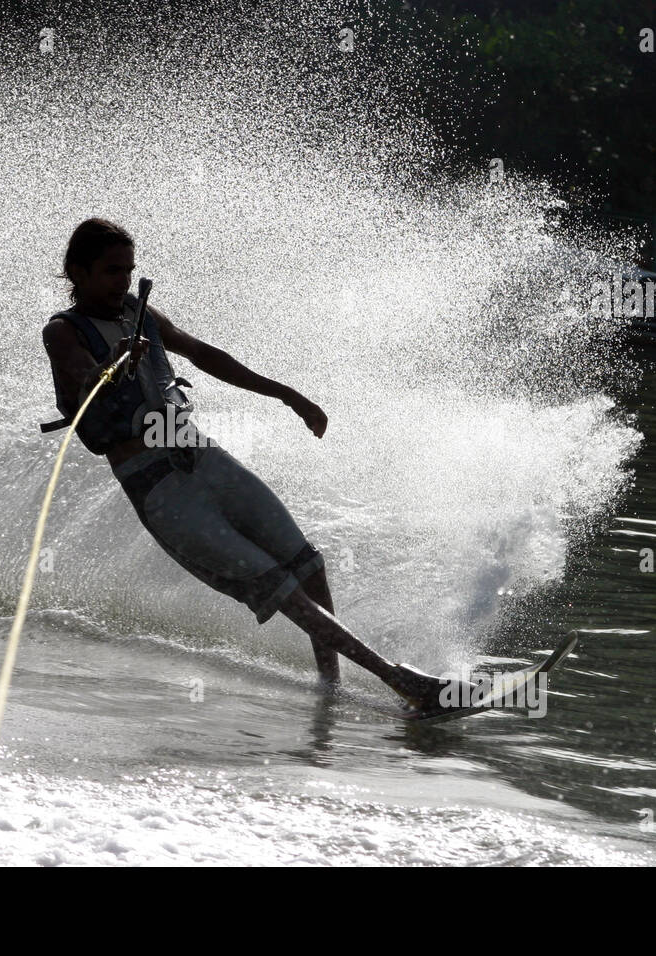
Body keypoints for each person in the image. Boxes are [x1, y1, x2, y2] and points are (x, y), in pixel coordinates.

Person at [40, 217, 458, 714]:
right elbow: (83, 385)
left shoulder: (139, 313)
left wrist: (286, 395)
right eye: (111, 272)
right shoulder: (63, 332)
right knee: (284, 592)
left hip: (201, 457)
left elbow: (203, 354)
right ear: (77, 272)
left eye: (129, 271)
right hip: (158, 489)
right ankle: (403, 683)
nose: (123, 282)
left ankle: (331, 691)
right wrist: (114, 361)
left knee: (309, 568)